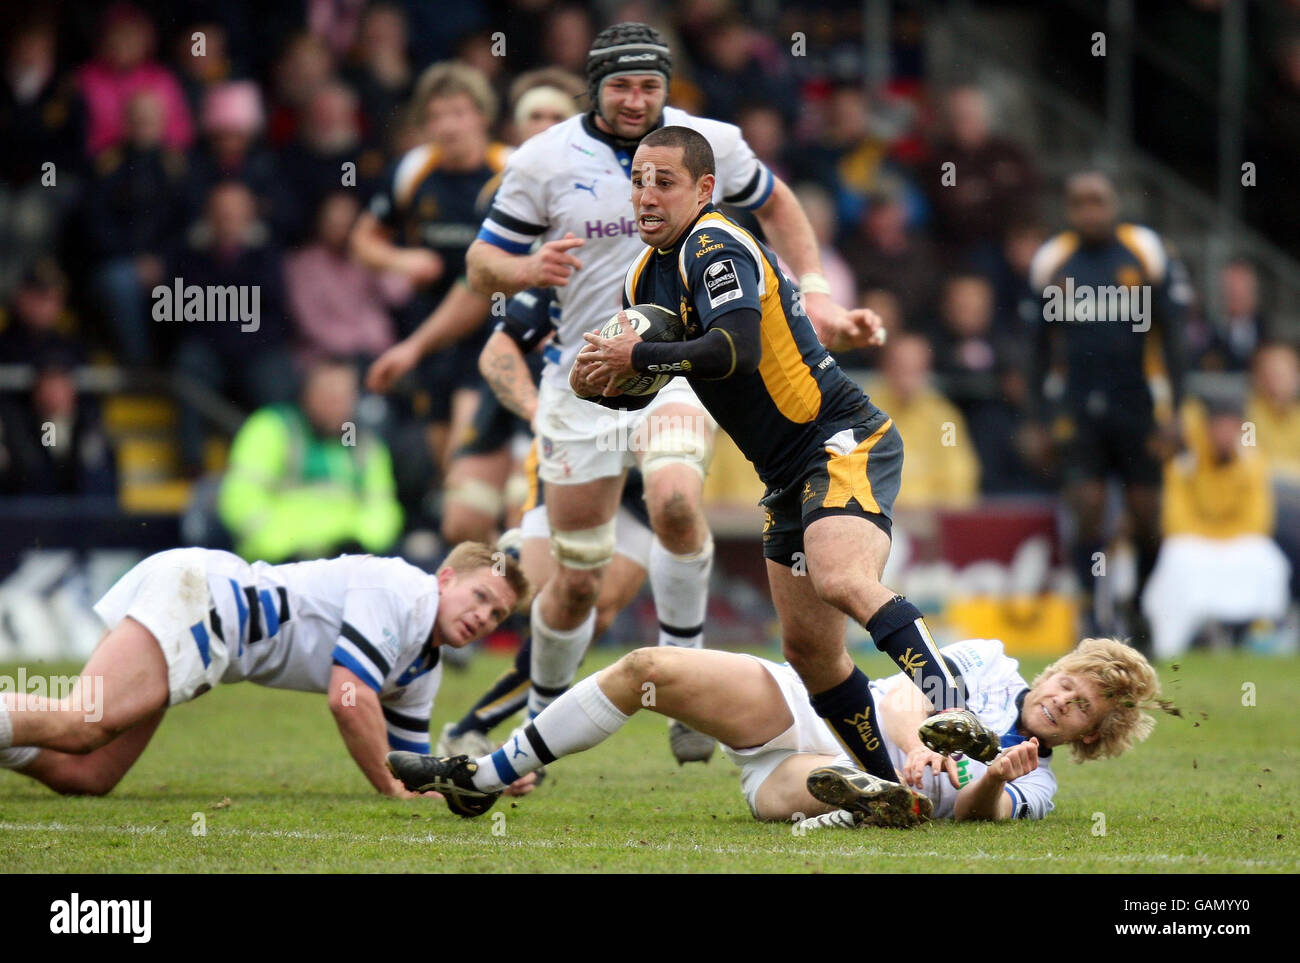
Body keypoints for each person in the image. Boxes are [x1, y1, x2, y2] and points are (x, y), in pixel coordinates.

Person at [464, 23, 881, 764]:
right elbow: (480, 263)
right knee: (577, 578)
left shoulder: (708, 142)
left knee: (678, 501)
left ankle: (683, 679)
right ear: (594, 86)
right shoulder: (542, 159)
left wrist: (814, 291)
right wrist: (525, 272)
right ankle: (536, 723)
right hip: (585, 375)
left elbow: (780, 204)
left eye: (650, 86)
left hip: (680, 363)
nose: (636, 100)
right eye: (621, 86)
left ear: (668, 89)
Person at [565, 125, 995, 788]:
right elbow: (654, 380)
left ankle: (948, 699)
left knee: (840, 575)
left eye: (665, 182)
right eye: (639, 181)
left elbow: (732, 345)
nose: (646, 195)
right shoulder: (642, 275)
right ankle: (889, 783)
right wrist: (608, 384)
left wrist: (637, 356)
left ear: (704, 189)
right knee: (812, 652)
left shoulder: (713, 242)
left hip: (839, 434)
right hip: (784, 474)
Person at [388, 636, 1161, 826]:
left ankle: (865, 798)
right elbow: (897, 699)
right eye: (1070, 680)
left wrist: (993, 774)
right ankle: (482, 777)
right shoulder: (989, 662)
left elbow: (981, 812)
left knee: (800, 789)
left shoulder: (1039, 781)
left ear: (1091, 735)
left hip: (805, 768)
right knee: (645, 670)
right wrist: (926, 743)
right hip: (821, 703)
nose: (1063, 698)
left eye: (1084, 706)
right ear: (1057, 665)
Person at [0, 543, 528, 798]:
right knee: (84, 721)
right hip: (204, 600)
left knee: (86, 774)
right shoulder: (402, 590)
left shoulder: (422, 664)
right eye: (480, 596)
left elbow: (413, 768)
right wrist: (391, 792)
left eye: (498, 614)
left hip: (211, 626)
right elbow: (349, 698)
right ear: (445, 578)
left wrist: (487, 780)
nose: (484, 616)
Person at [1028, 170, 1191, 650]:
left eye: (1098, 201)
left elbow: (1176, 338)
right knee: (1087, 507)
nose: (1090, 211)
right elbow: (1036, 347)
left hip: (1141, 404)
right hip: (1078, 408)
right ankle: (1090, 611)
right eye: (1079, 202)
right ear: (1067, 209)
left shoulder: (1145, 252)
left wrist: (1178, 410)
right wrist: (1037, 417)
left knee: (1148, 518)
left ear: (1115, 203)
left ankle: (1136, 602)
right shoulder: (1053, 260)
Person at [1141, 392, 1291, 657]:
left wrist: (1219, 536)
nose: (1225, 434)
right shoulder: (1184, 464)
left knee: (1269, 560)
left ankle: (1261, 634)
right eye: (1219, 426)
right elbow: (1175, 523)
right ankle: (1170, 645)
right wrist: (1214, 536)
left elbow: (1258, 522)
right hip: (1196, 545)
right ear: (1206, 428)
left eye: (1232, 427)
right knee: (1178, 554)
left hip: (1237, 544)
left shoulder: (1253, 464)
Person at [217, 358, 403, 563]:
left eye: (343, 397)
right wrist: (286, 547)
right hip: (281, 565)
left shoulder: (364, 444)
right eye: (328, 396)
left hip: (346, 562)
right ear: (307, 394)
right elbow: (241, 500)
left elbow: (382, 506)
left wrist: (362, 542)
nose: (336, 405)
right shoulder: (272, 428)